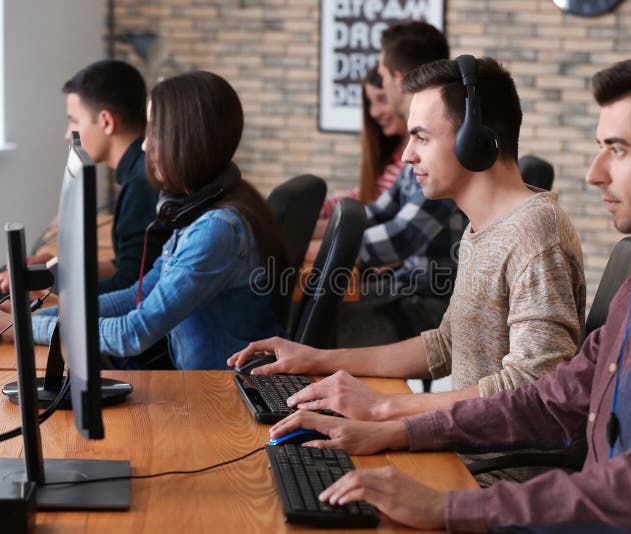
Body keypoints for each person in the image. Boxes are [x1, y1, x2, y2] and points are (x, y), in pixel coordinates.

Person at [264, 47, 631, 530]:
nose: (593, 173)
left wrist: (447, 505)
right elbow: (551, 399)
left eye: (616, 149)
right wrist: (396, 428)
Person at [229, 57, 586, 483]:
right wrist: (316, 358)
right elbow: (446, 344)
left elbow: (532, 389)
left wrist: (384, 408)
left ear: (476, 142)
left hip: (498, 480)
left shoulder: (536, 233)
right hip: (458, 448)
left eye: (421, 137)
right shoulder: (483, 228)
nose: (406, 155)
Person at [1, 71, 288, 370]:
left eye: (155, 132)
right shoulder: (198, 211)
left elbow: (133, 333)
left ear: (185, 139)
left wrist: (23, 327)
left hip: (218, 389)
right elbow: (136, 295)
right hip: (203, 382)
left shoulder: (217, 230)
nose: (144, 146)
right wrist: (38, 316)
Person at [333, 20, 466, 348]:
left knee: (320, 324)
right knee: (315, 309)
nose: (407, 156)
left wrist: (326, 250)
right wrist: (323, 233)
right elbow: (378, 211)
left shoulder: (444, 146)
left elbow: (402, 236)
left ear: (398, 78)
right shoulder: (422, 141)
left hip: (431, 301)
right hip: (407, 286)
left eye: (382, 73)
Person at [0, 60, 168, 295]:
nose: (68, 135)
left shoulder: (141, 184)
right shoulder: (140, 172)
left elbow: (130, 286)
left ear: (106, 122)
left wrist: (54, 291)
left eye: (74, 121)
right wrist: (60, 270)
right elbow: (132, 266)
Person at [307, 67, 408, 260]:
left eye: (383, 99)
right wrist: (316, 208)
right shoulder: (392, 154)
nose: (374, 112)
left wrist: (319, 236)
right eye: (370, 102)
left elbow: (396, 231)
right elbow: (367, 201)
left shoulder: (413, 164)